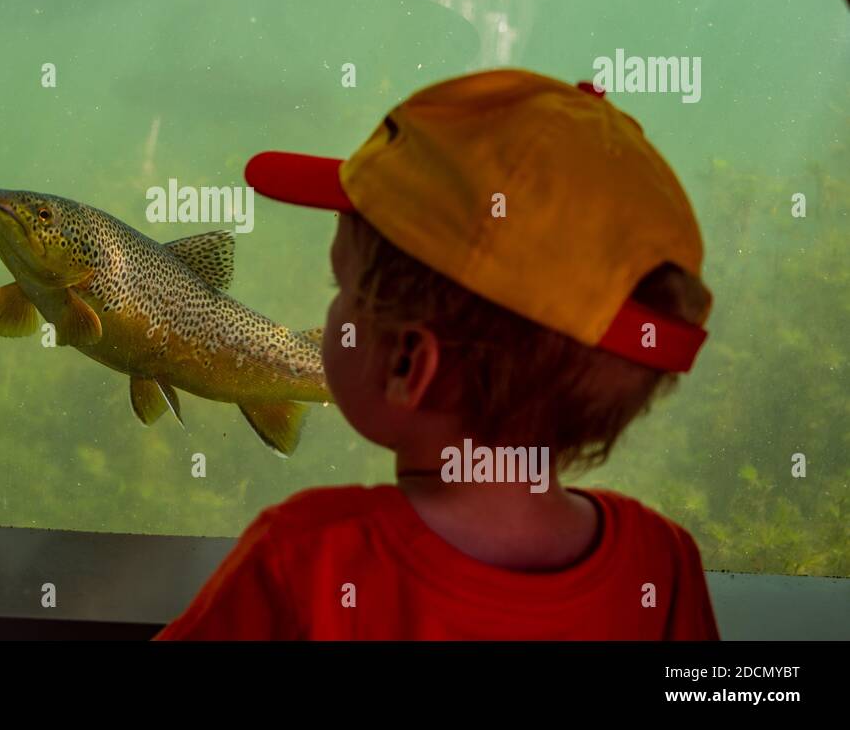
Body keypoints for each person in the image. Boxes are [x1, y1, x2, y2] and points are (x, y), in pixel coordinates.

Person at [155, 69, 720, 640]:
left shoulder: (305, 557)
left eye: (341, 288)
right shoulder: (662, 563)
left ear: (407, 365)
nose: (328, 317)